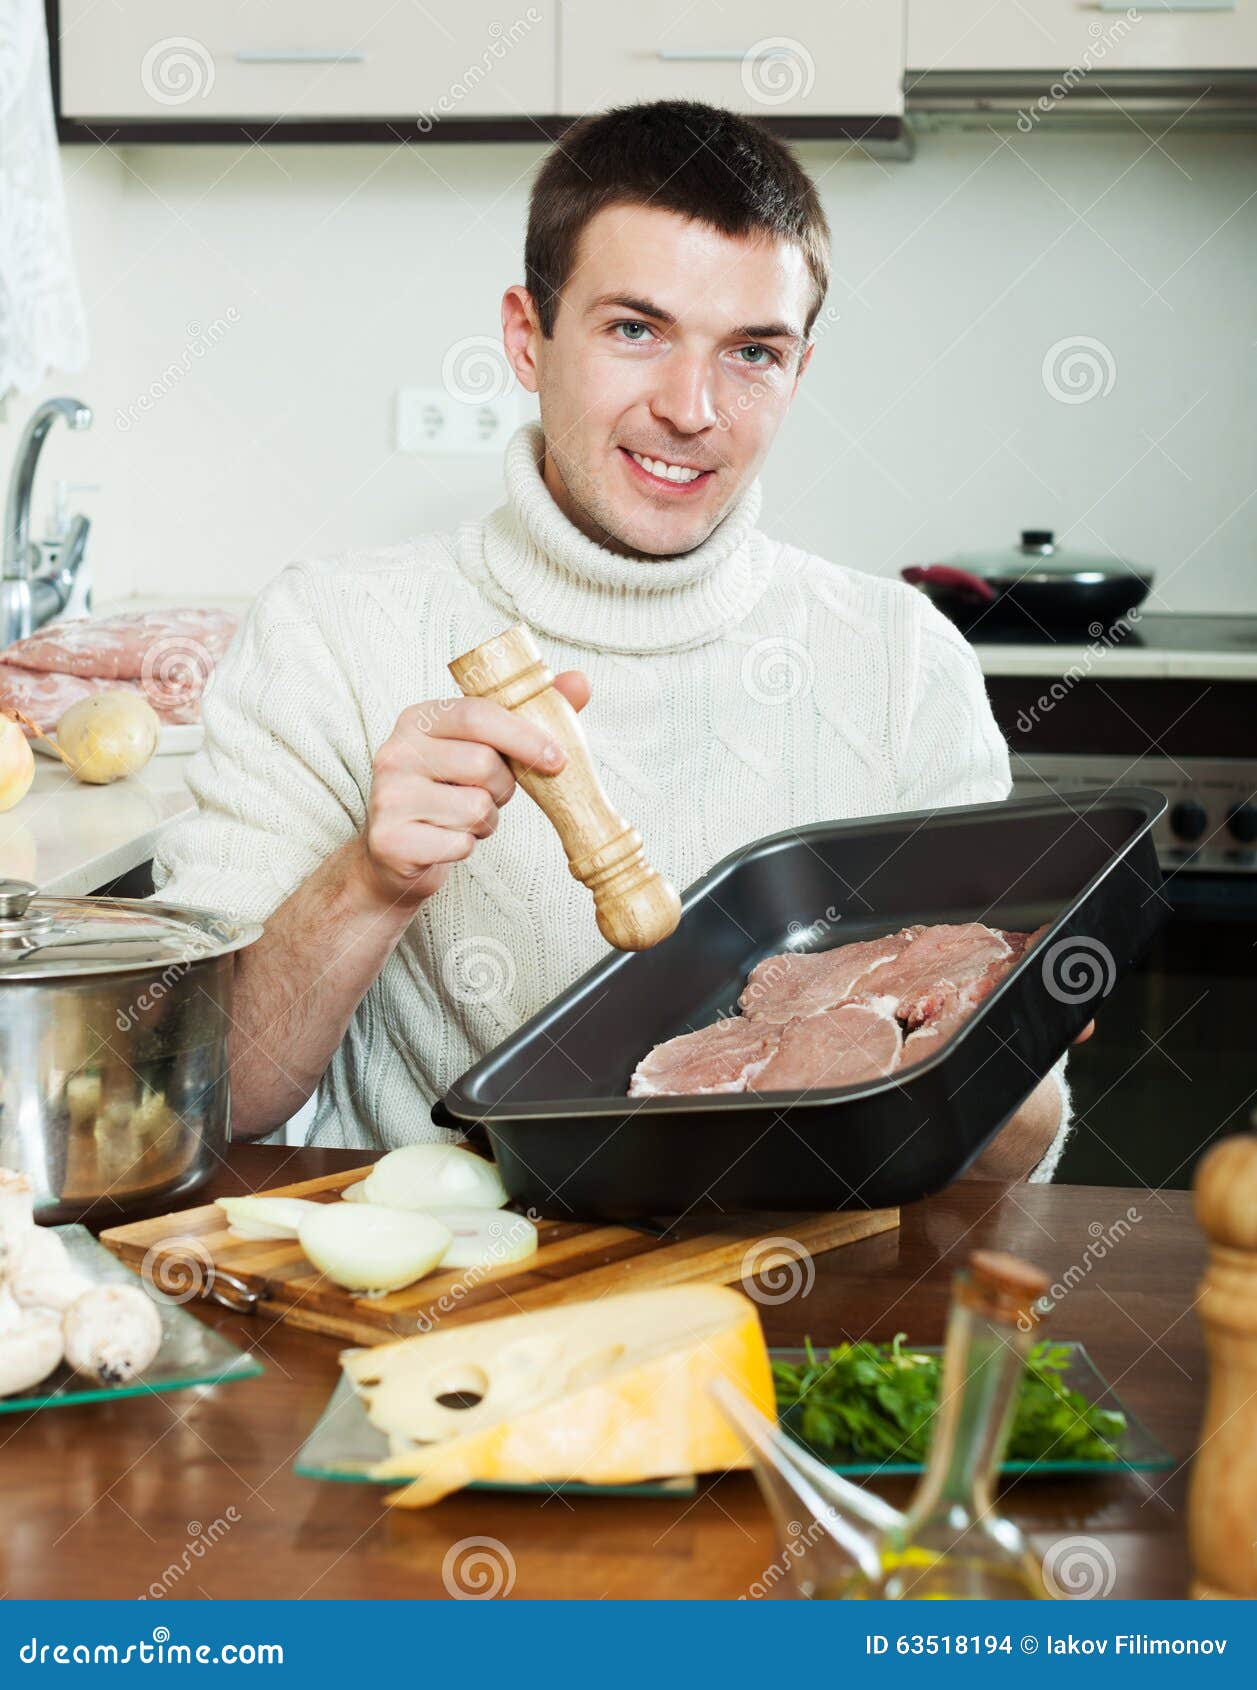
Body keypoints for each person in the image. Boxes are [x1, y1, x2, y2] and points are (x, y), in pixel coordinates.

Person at [155, 98, 1075, 1180]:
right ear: (525, 335)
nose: (692, 407)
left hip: (803, 1287)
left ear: (799, 375)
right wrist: (372, 882)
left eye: (752, 352)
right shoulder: (328, 634)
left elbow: (1014, 1157)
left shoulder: (902, 660)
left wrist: (1007, 1044)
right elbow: (213, 1100)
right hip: (456, 1297)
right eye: (635, 330)